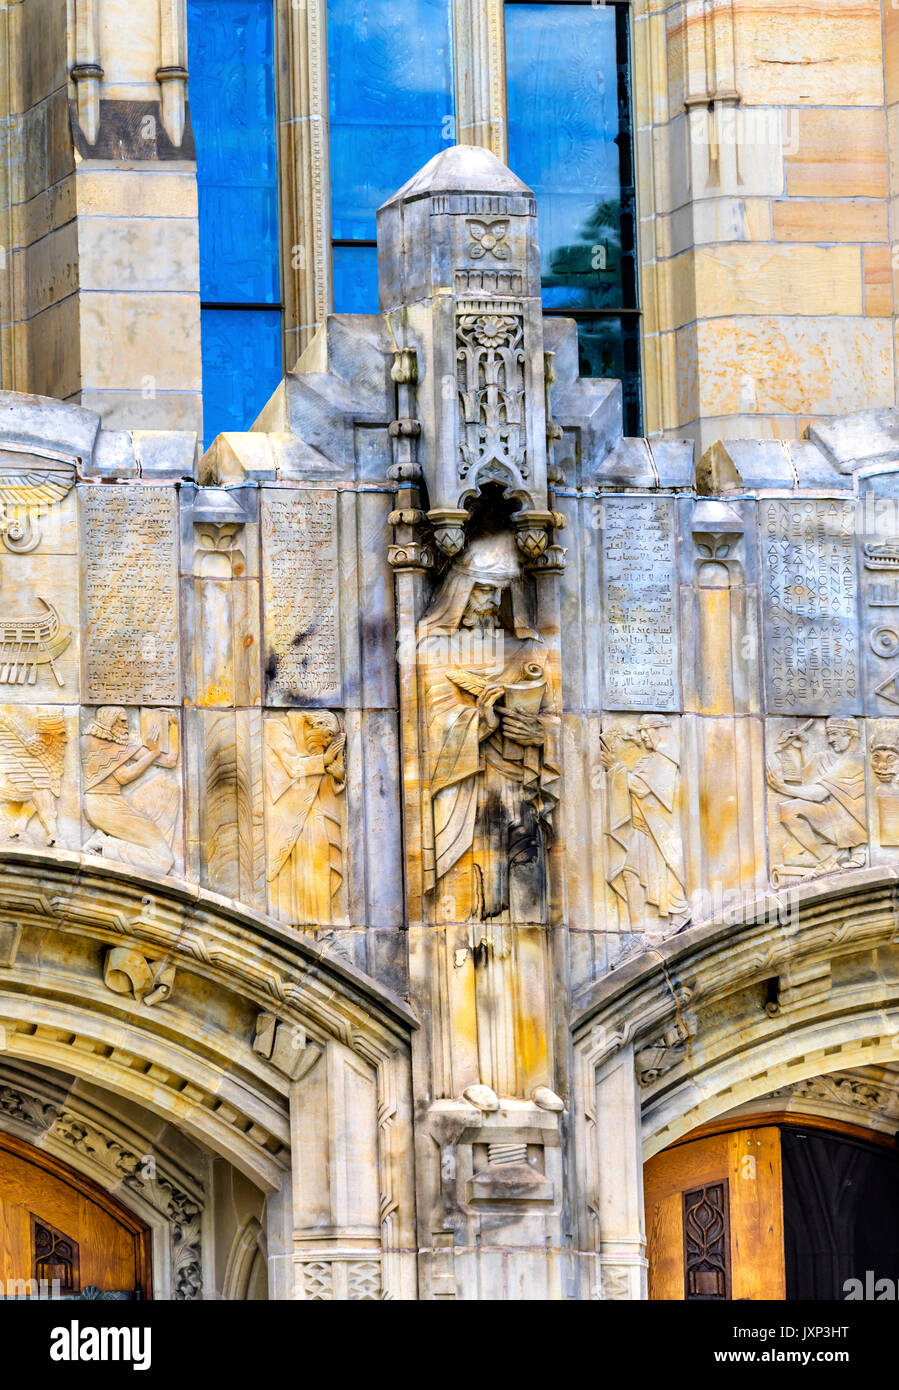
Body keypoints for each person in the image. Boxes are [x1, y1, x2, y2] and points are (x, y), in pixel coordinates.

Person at [418, 531, 559, 923]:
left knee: (526, 864)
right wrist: (482, 720)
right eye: (483, 590)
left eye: (501, 591)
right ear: (460, 591)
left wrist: (542, 735)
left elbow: (558, 721)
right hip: (466, 785)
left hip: (519, 781)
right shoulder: (434, 650)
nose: (494, 602)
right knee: (477, 873)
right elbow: (429, 728)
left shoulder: (529, 651)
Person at [601, 715, 689, 931]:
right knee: (631, 874)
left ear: (658, 731)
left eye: (645, 731)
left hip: (657, 831)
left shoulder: (665, 760)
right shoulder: (651, 759)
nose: (641, 736)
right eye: (640, 731)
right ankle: (638, 931)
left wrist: (617, 768)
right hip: (644, 829)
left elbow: (641, 789)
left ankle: (678, 912)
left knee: (644, 874)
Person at [266, 711, 345, 925]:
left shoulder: (315, 745)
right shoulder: (275, 727)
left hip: (312, 809)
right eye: (327, 735)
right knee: (290, 869)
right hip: (283, 814)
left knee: (321, 855)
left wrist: (337, 776)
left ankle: (321, 925)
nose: (328, 741)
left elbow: (321, 784)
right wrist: (326, 759)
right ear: (314, 723)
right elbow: (292, 767)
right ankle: (287, 924)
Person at [82, 706, 179, 873]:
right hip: (102, 806)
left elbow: (169, 761)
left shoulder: (122, 745)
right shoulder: (92, 743)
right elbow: (124, 776)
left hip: (115, 803)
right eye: (122, 722)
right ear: (109, 722)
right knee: (164, 859)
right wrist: (153, 753)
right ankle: (103, 844)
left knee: (168, 791)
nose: (126, 727)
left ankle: (106, 845)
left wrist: (174, 727)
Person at [766, 716, 867, 876]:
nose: (829, 740)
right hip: (832, 816)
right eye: (828, 734)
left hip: (849, 824)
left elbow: (818, 793)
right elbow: (812, 777)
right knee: (787, 810)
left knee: (791, 809)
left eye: (834, 734)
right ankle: (827, 860)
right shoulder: (827, 757)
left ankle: (856, 852)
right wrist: (804, 745)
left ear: (850, 735)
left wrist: (781, 787)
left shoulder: (855, 760)